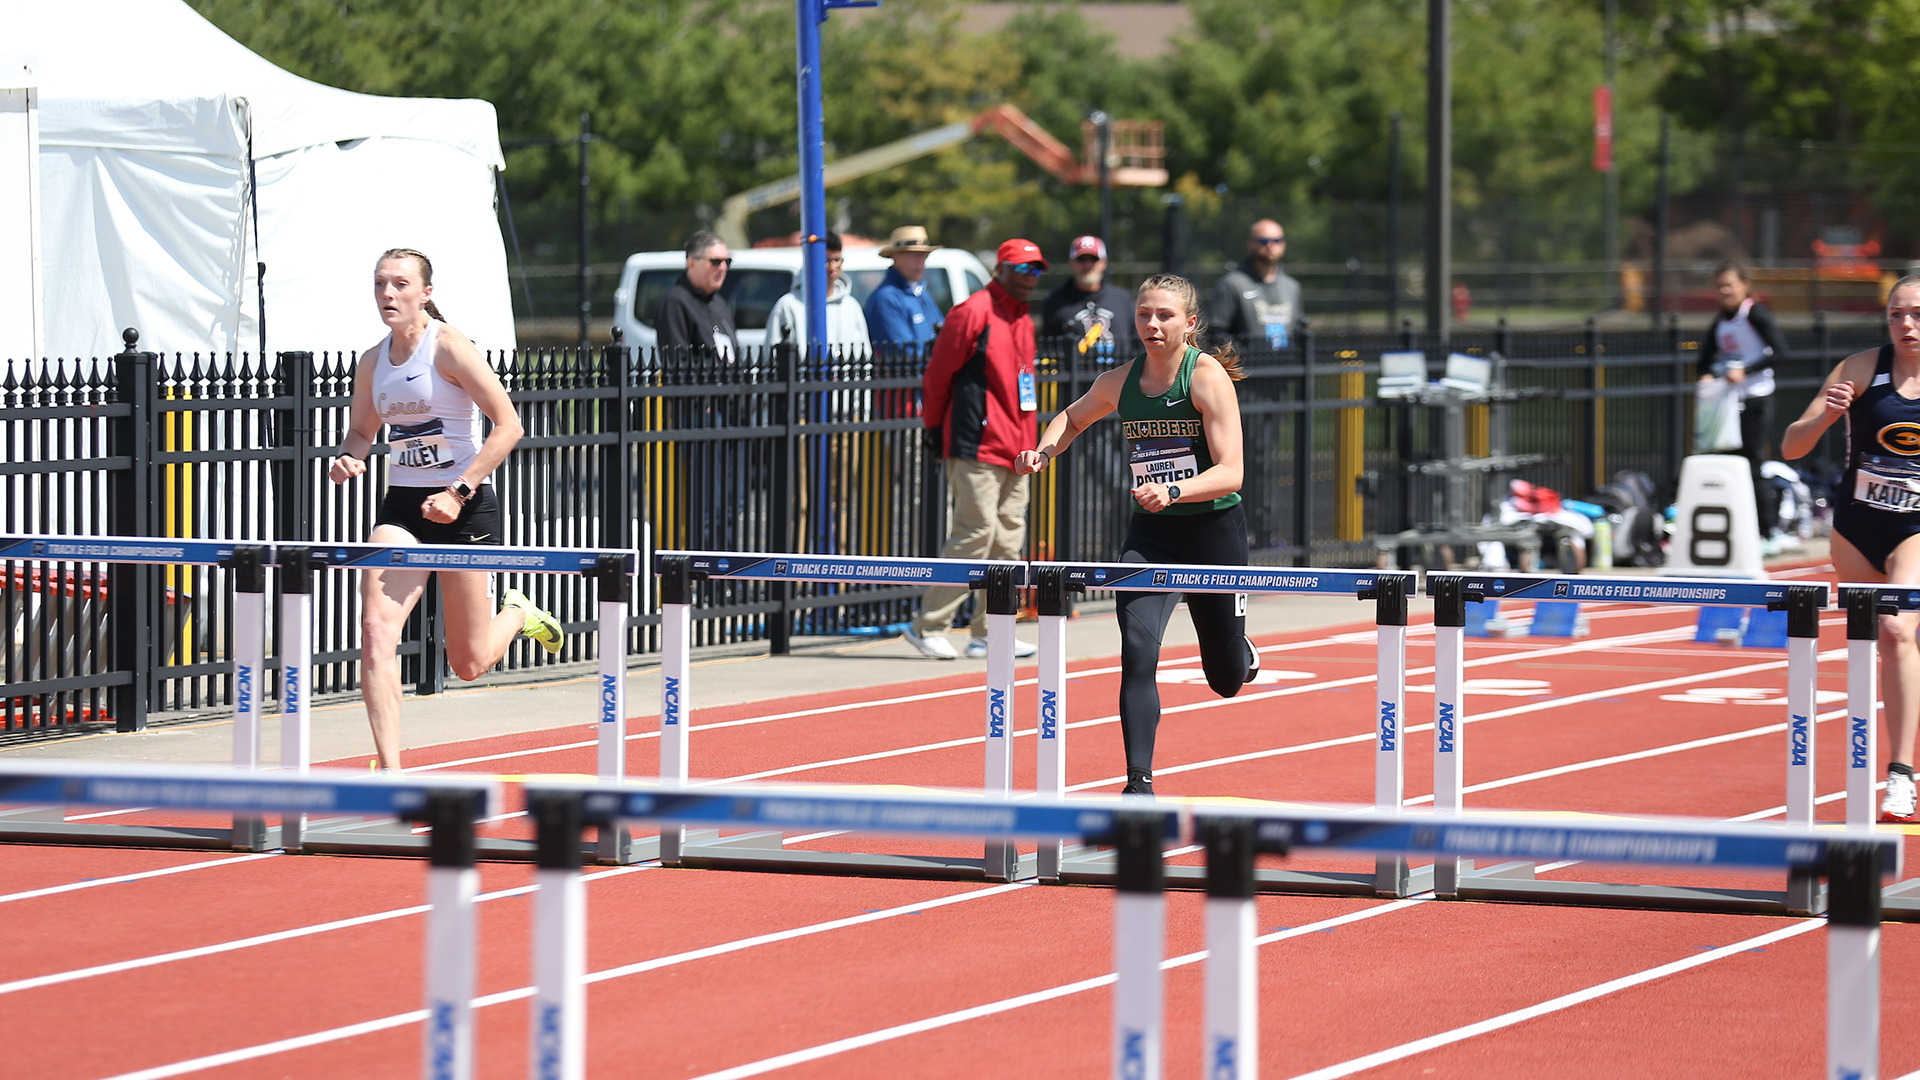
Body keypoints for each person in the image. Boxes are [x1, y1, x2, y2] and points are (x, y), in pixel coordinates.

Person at [1015, 273, 1259, 796]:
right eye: (1144, 314)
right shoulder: (1119, 381)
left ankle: (1240, 649)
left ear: (1190, 323)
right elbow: (1071, 418)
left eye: (1164, 315)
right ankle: (1138, 783)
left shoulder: (1205, 377)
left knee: (1226, 680)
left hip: (1213, 529)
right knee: (1137, 652)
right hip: (1152, 533)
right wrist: (1043, 451)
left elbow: (1232, 472)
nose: (1151, 324)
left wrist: (1176, 490)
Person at [329, 248, 563, 772]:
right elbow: (363, 432)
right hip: (405, 508)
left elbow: (509, 425)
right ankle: (390, 770)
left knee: (469, 661)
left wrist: (458, 490)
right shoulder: (372, 361)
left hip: (464, 506)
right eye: (380, 284)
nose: (388, 294)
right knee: (376, 633)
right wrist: (348, 457)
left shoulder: (451, 347)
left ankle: (520, 612)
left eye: (400, 284)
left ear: (425, 293)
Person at [1781, 274, 1920, 823]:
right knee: (1873, 643)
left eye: (1917, 314)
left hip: (1916, 529)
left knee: (1897, 628)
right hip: (1856, 529)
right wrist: (1825, 416)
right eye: (1896, 315)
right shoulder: (1862, 368)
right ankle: (1874, 760)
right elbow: (1793, 446)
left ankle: (1902, 772)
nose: (1906, 325)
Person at [903, 238, 1046, 661]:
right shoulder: (973, 311)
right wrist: (933, 428)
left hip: (1016, 448)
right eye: (1022, 269)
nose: (1029, 278)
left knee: (1007, 541)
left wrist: (1030, 445)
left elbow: (1023, 387)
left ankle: (991, 631)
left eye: (1036, 270)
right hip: (976, 444)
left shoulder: (1022, 318)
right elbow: (938, 375)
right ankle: (928, 625)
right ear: (1000, 269)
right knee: (974, 535)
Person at [1698, 261, 1790, 550]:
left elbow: (1781, 352)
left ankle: (1769, 531)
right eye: (1720, 285)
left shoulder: (1755, 314)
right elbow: (1704, 358)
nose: (1725, 290)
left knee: (1752, 464)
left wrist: (1745, 370)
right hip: (1728, 404)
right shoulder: (1720, 321)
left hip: (1756, 399)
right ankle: (1740, 529)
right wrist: (1706, 375)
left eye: (1730, 284)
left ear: (1744, 286)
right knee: (1730, 464)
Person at [766, 231, 872, 355]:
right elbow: (772, 355)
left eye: (837, 259)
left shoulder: (851, 306)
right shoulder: (788, 305)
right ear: (811, 262)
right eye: (825, 260)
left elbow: (865, 353)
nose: (832, 267)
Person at [1207, 218, 1301, 352]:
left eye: (1277, 240)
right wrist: (1243, 356)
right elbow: (1216, 331)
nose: (1271, 245)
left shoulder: (1292, 286)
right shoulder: (1231, 284)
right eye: (1263, 241)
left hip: (1287, 367)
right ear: (1250, 244)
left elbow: (1298, 331)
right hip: (1249, 370)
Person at [1039, 235, 1136, 362]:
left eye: (1093, 259)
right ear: (1071, 263)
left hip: (1121, 379)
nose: (1087, 265)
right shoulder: (1055, 301)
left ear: (1104, 263)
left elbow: (1137, 345)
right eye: (1081, 259)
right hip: (1074, 380)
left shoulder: (1123, 299)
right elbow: (1049, 350)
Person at [657, 230, 739, 363]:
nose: (723, 268)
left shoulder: (720, 303)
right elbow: (678, 363)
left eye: (727, 261)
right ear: (691, 263)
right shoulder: (676, 302)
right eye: (716, 261)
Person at [864, 225, 944, 356]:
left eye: (924, 255)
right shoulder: (886, 299)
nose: (920, 261)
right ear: (895, 256)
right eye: (913, 255)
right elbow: (904, 354)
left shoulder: (922, 293)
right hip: (913, 376)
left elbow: (944, 335)